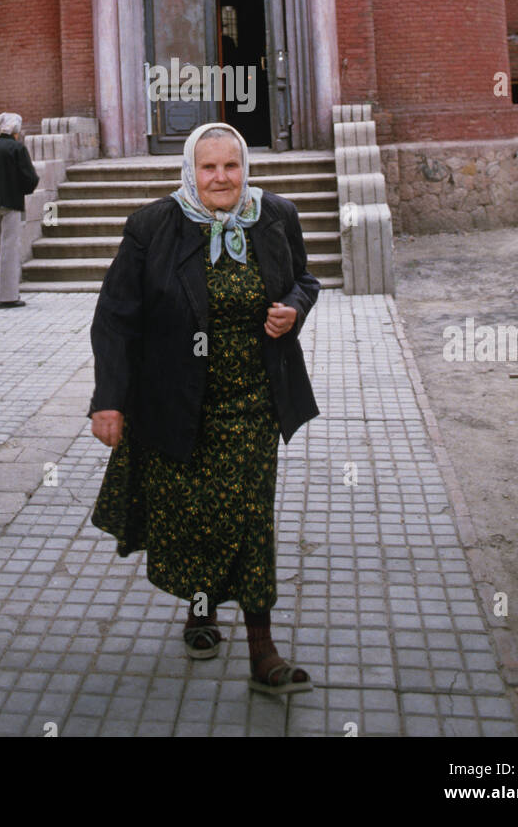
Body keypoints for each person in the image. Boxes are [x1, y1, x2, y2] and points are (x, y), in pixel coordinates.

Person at [89, 120, 321, 694]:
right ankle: (200, 612)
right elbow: (116, 317)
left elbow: (306, 280)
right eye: (209, 167)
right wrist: (108, 401)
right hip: (174, 400)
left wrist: (293, 306)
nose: (222, 178)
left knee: (249, 518)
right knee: (193, 515)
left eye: (232, 166)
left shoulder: (277, 216)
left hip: (253, 403)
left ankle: (262, 650)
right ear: (191, 170)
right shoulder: (153, 226)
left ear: (246, 168)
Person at [0, 112, 39, 308]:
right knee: (10, 248)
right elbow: (30, 178)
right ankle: (8, 296)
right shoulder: (17, 148)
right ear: (15, 130)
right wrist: (24, 189)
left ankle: (0, 293)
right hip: (12, 203)